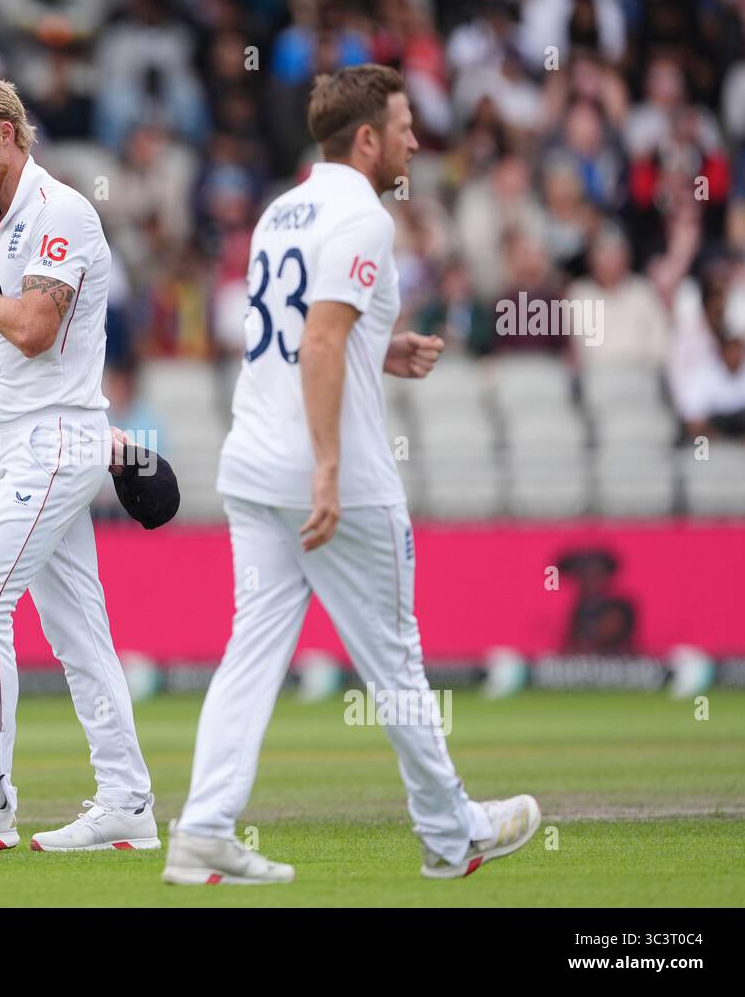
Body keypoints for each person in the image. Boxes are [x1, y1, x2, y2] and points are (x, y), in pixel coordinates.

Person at [163, 65, 541, 886]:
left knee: (250, 653)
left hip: (254, 463)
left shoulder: (280, 210)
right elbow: (323, 342)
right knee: (397, 666)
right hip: (330, 475)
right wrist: (330, 470)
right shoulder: (365, 218)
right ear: (366, 137)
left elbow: (315, 332)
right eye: (404, 127)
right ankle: (450, 833)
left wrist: (382, 347)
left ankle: (202, 828)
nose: (415, 140)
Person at [0, 77, 157, 853]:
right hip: (34, 439)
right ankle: (128, 805)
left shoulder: (60, 212)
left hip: (51, 445)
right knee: (80, 635)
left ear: (8, 132)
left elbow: (39, 331)